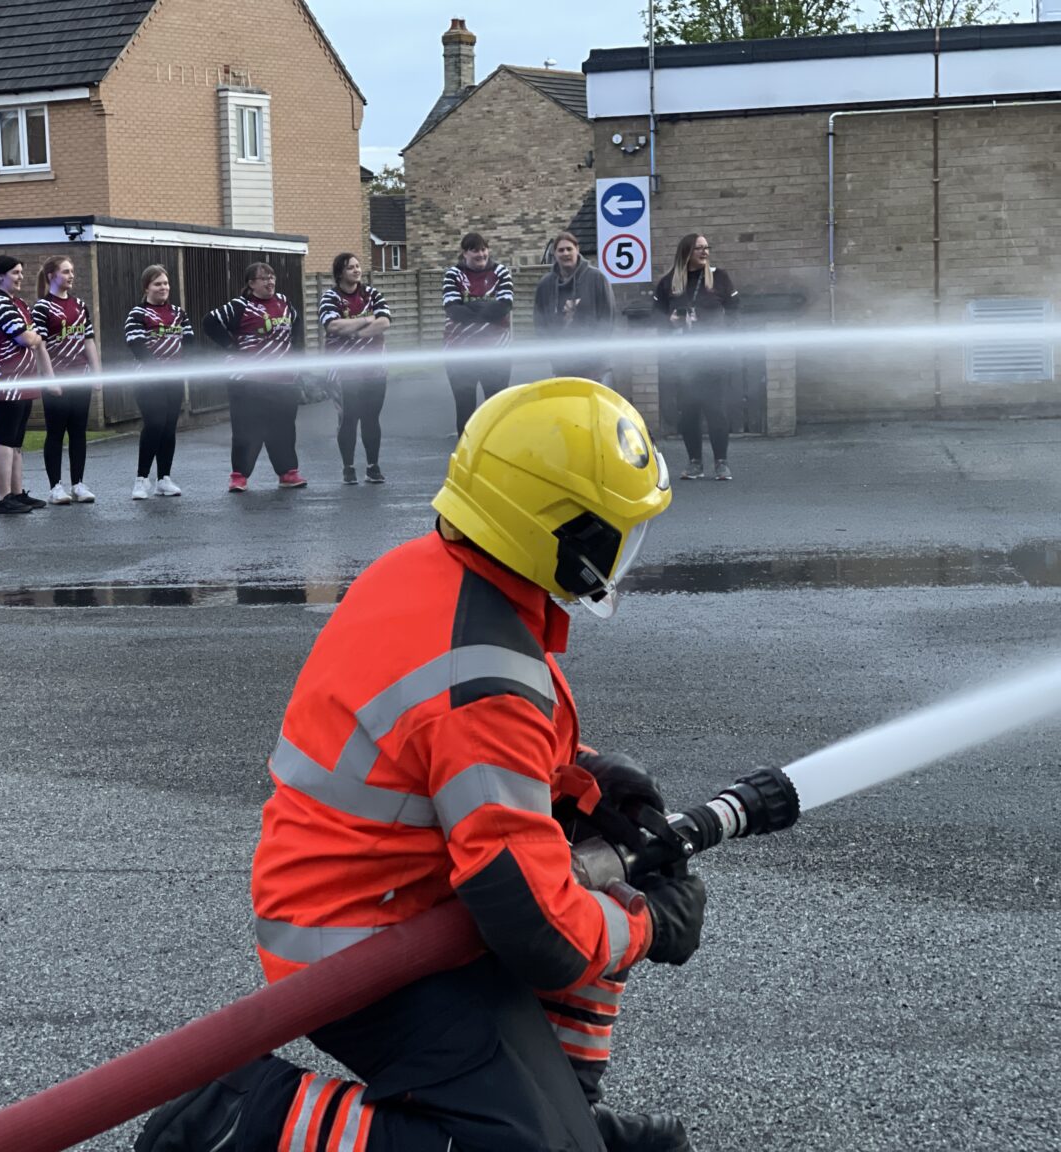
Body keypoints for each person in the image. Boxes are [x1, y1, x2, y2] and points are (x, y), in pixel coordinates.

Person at [137, 379, 705, 1152]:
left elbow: (456, 758)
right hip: (355, 949)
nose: (624, 557)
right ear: (559, 535)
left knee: (598, 873)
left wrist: (583, 776)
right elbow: (539, 931)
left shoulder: (434, 568)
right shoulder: (484, 677)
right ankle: (243, 1116)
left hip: (392, 894)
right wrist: (647, 924)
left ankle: (566, 1118)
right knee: (589, 930)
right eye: (614, 535)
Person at [202, 262, 305, 492]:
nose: (270, 282)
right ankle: (239, 476)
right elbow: (209, 322)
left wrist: (294, 354)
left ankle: (288, 472)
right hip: (247, 382)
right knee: (246, 429)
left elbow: (296, 323)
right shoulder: (241, 305)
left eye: (272, 277)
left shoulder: (283, 302)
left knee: (284, 428)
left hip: (284, 381)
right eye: (264, 278)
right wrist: (231, 347)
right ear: (251, 283)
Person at [651, 233, 740, 482]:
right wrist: (670, 321)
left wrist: (725, 335)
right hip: (682, 360)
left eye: (706, 247)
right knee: (688, 412)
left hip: (714, 358)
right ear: (686, 252)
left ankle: (721, 463)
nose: (705, 252)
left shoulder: (719, 277)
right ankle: (695, 464)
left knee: (716, 411)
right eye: (699, 248)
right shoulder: (668, 282)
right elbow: (654, 316)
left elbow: (735, 310)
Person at [0, 255, 54, 514]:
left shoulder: (19, 304)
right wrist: (33, 337)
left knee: (17, 440)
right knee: (6, 436)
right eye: (15, 273)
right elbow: (26, 338)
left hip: (24, 379)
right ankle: (2, 498)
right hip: (5, 378)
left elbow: (38, 340)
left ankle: (16, 492)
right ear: (0, 276)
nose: (21, 276)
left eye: (22, 272)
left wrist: (48, 376)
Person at [319, 253, 391, 485]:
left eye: (358, 266)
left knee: (372, 418)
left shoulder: (372, 294)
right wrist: (367, 320)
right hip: (344, 372)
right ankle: (348, 468)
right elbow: (333, 325)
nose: (356, 270)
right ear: (340, 272)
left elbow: (385, 321)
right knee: (348, 418)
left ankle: (373, 466)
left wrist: (357, 333)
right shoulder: (330, 297)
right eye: (351, 267)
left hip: (374, 369)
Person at [33, 255, 100, 505]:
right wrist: (50, 380)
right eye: (65, 271)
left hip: (80, 378)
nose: (71, 276)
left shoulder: (80, 305)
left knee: (78, 432)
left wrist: (96, 374)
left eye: (72, 271)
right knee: (55, 433)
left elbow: (88, 341)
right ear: (51, 276)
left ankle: (78, 484)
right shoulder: (41, 308)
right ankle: (55, 487)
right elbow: (39, 348)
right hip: (56, 381)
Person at [124, 264, 192, 499]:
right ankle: (141, 480)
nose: (163, 287)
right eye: (157, 284)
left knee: (168, 428)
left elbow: (189, 341)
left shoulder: (179, 313)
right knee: (154, 425)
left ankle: (164, 479)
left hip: (174, 380)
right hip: (148, 381)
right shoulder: (138, 314)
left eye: (165, 283)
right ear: (147, 287)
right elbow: (136, 345)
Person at [441, 232, 513, 436]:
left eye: (483, 249)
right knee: (465, 408)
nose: (481, 254)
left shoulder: (501, 273)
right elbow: (454, 310)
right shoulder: (453, 275)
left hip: (496, 353)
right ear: (465, 253)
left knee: (496, 407)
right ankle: (466, 455)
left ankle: (496, 452)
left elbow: (504, 307)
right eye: (475, 250)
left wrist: (471, 307)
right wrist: (486, 307)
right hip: (460, 355)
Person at [534, 231, 618, 385]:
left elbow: (608, 319)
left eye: (569, 249)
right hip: (562, 366)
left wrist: (593, 353)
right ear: (554, 254)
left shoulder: (597, 279)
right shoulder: (545, 285)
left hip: (595, 367)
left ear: (577, 250)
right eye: (561, 250)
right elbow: (540, 324)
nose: (565, 253)